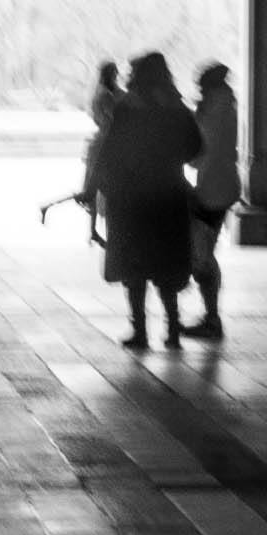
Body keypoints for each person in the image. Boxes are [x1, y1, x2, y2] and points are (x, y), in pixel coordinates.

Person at [89, 50, 201, 350]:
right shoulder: (176, 107)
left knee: (134, 268)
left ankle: (140, 331)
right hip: (169, 195)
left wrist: (95, 187)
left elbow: (109, 153)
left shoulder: (127, 108)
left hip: (132, 198)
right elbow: (195, 147)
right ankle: (173, 330)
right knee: (167, 268)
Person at [187, 59, 241, 341]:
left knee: (202, 254)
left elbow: (198, 152)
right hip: (221, 184)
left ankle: (211, 318)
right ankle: (211, 316)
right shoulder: (225, 106)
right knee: (204, 252)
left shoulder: (212, 111)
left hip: (213, 188)